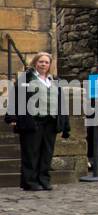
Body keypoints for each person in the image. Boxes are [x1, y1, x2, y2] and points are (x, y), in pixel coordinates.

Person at [14, 52, 70, 191]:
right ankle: (30, 182)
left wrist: (65, 124)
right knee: (31, 153)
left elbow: (61, 102)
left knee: (47, 153)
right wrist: (13, 117)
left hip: (50, 122)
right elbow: (17, 98)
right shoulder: (26, 78)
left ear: (50, 65)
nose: (43, 64)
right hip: (33, 121)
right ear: (35, 63)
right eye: (41, 62)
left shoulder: (54, 80)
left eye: (46, 62)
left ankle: (44, 180)